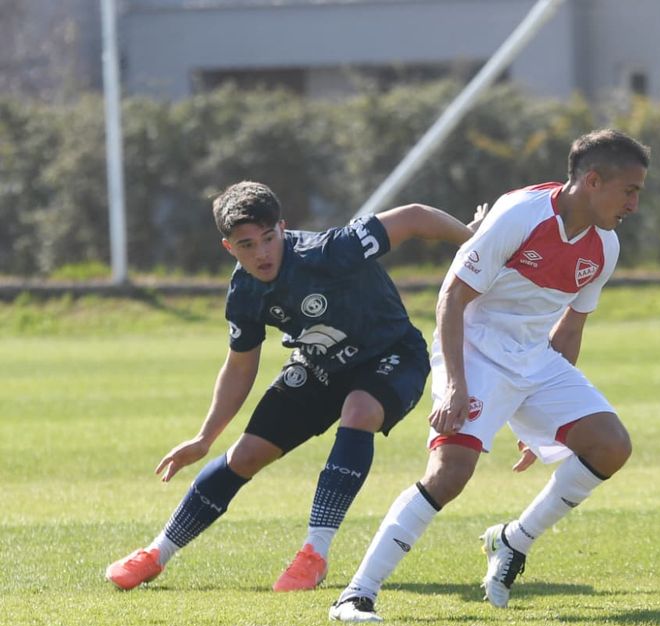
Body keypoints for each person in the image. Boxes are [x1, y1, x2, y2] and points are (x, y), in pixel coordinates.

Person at [329, 129, 650, 622]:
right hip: (474, 348)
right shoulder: (520, 215)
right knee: (450, 472)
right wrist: (455, 383)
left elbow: (570, 328)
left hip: (534, 358)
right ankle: (355, 595)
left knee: (611, 445)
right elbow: (452, 298)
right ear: (592, 181)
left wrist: (544, 421)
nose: (634, 203)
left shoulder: (604, 248)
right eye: (629, 191)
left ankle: (513, 542)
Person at [105, 180, 479, 592]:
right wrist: (205, 436)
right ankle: (157, 553)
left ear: (282, 227)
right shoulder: (244, 293)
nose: (262, 253)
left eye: (268, 238)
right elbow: (240, 365)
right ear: (228, 247)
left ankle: (314, 554)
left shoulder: (329, 250)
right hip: (319, 366)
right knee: (246, 455)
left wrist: (473, 240)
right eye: (247, 245)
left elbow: (413, 217)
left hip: (393, 356)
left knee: (359, 411)